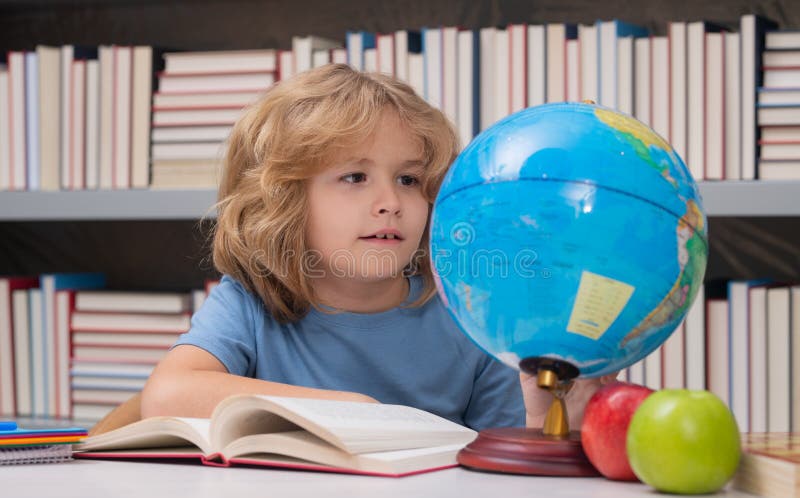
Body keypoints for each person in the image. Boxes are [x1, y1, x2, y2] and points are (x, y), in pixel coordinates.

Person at [100, 64, 615, 435]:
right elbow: (169, 394)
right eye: (354, 176)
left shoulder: (467, 314)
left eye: (410, 179)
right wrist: (354, 411)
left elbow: (506, 457)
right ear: (284, 201)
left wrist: (555, 419)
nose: (391, 202)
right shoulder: (250, 303)